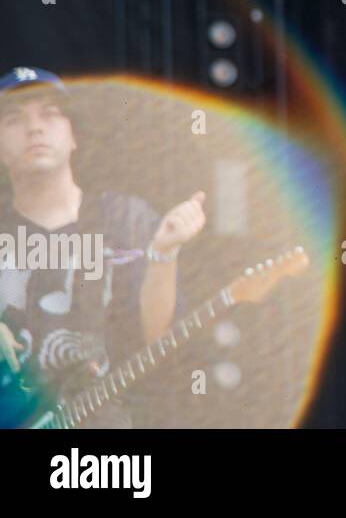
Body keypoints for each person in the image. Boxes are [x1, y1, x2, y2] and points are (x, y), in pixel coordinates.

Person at [0, 67, 206, 428]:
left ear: (73, 134)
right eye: (14, 118)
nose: (35, 128)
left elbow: (158, 339)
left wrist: (163, 256)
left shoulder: (124, 220)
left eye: (50, 114)